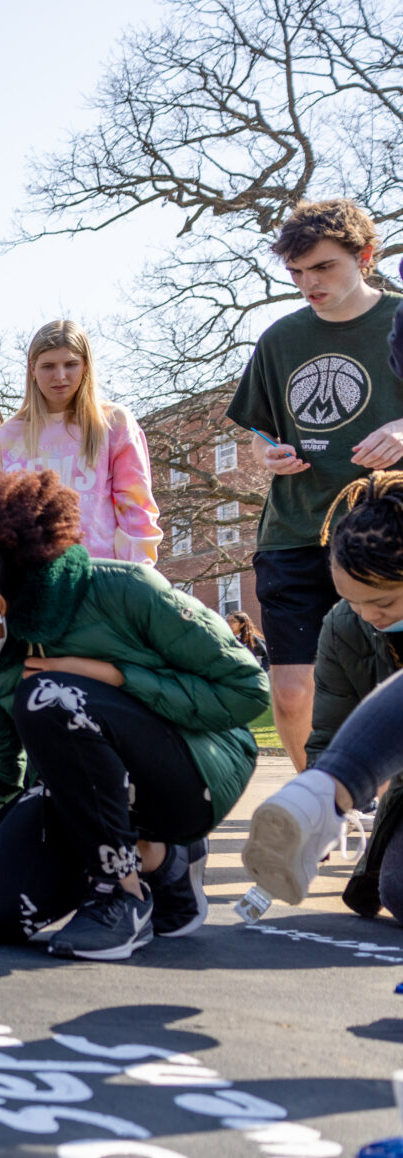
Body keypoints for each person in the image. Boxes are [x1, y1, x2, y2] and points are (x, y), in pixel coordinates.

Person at [0, 472, 268, 961]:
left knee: (46, 697)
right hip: (85, 794)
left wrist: (115, 676)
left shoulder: (123, 589)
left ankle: (121, 895)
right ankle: (164, 862)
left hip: (198, 769)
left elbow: (247, 691)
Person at [226, 198, 403, 769]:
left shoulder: (399, 320)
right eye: (297, 272)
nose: (309, 284)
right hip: (295, 532)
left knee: (388, 685)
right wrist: (268, 453)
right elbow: (259, 429)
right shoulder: (279, 339)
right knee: (293, 690)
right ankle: (317, 804)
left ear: (366, 256)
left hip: (387, 536)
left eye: (323, 267)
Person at [243, 473, 401, 914]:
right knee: (398, 889)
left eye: (383, 603)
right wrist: (318, 819)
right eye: (353, 600)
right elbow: (329, 733)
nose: (367, 615)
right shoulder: (345, 627)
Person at [0, 320, 161, 563]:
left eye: (70, 364)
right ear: (32, 369)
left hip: (98, 572)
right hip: (28, 575)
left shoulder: (114, 422)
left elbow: (136, 508)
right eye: (48, 366)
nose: (60, 376)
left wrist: (137, 573)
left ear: (85, 366)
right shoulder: (8, 436)